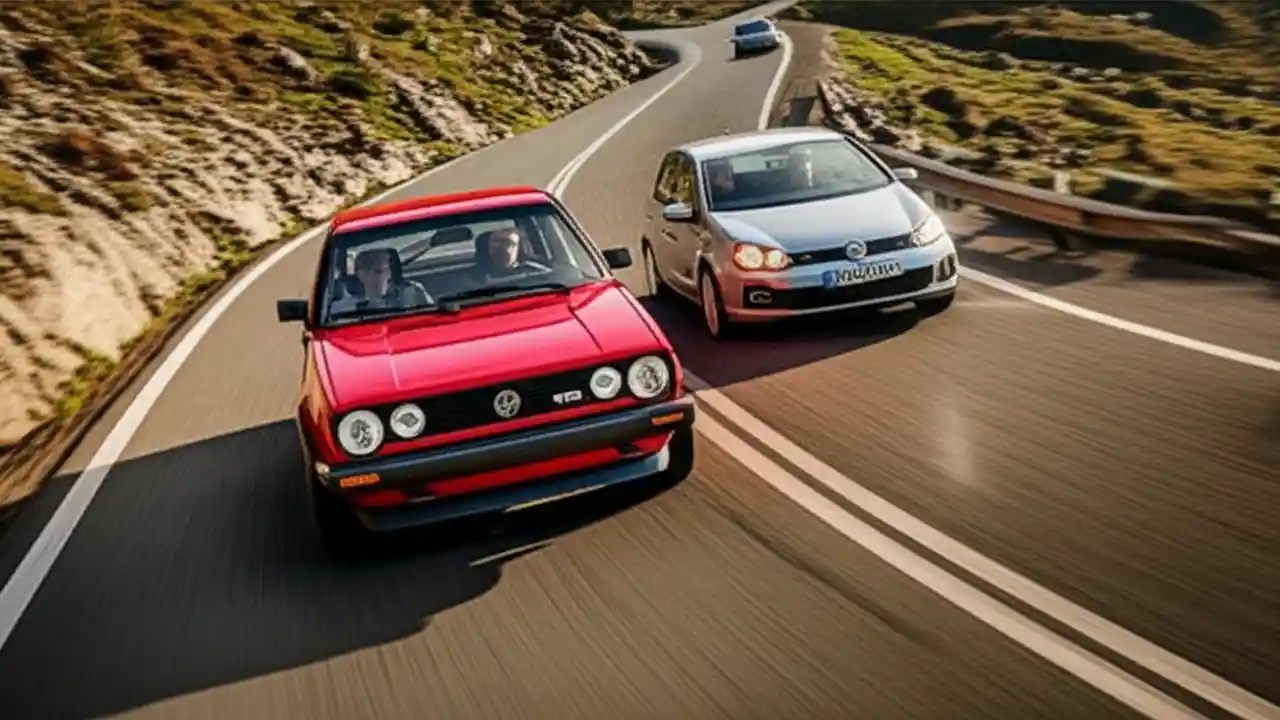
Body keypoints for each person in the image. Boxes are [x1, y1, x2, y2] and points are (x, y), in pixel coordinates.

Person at [328, 247, 432, 316]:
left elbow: (432, 317)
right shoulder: (344, 308)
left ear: (390, 272)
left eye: (380, 270)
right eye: (369, 270)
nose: (377, 277)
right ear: (360, 275)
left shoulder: (413, 292)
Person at [474, 228, 551, 281]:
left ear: (519, 248)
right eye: (496, 241)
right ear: (488, 246)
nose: (501, 246)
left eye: (508, 242)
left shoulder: (538, 272)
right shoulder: (473, 278)